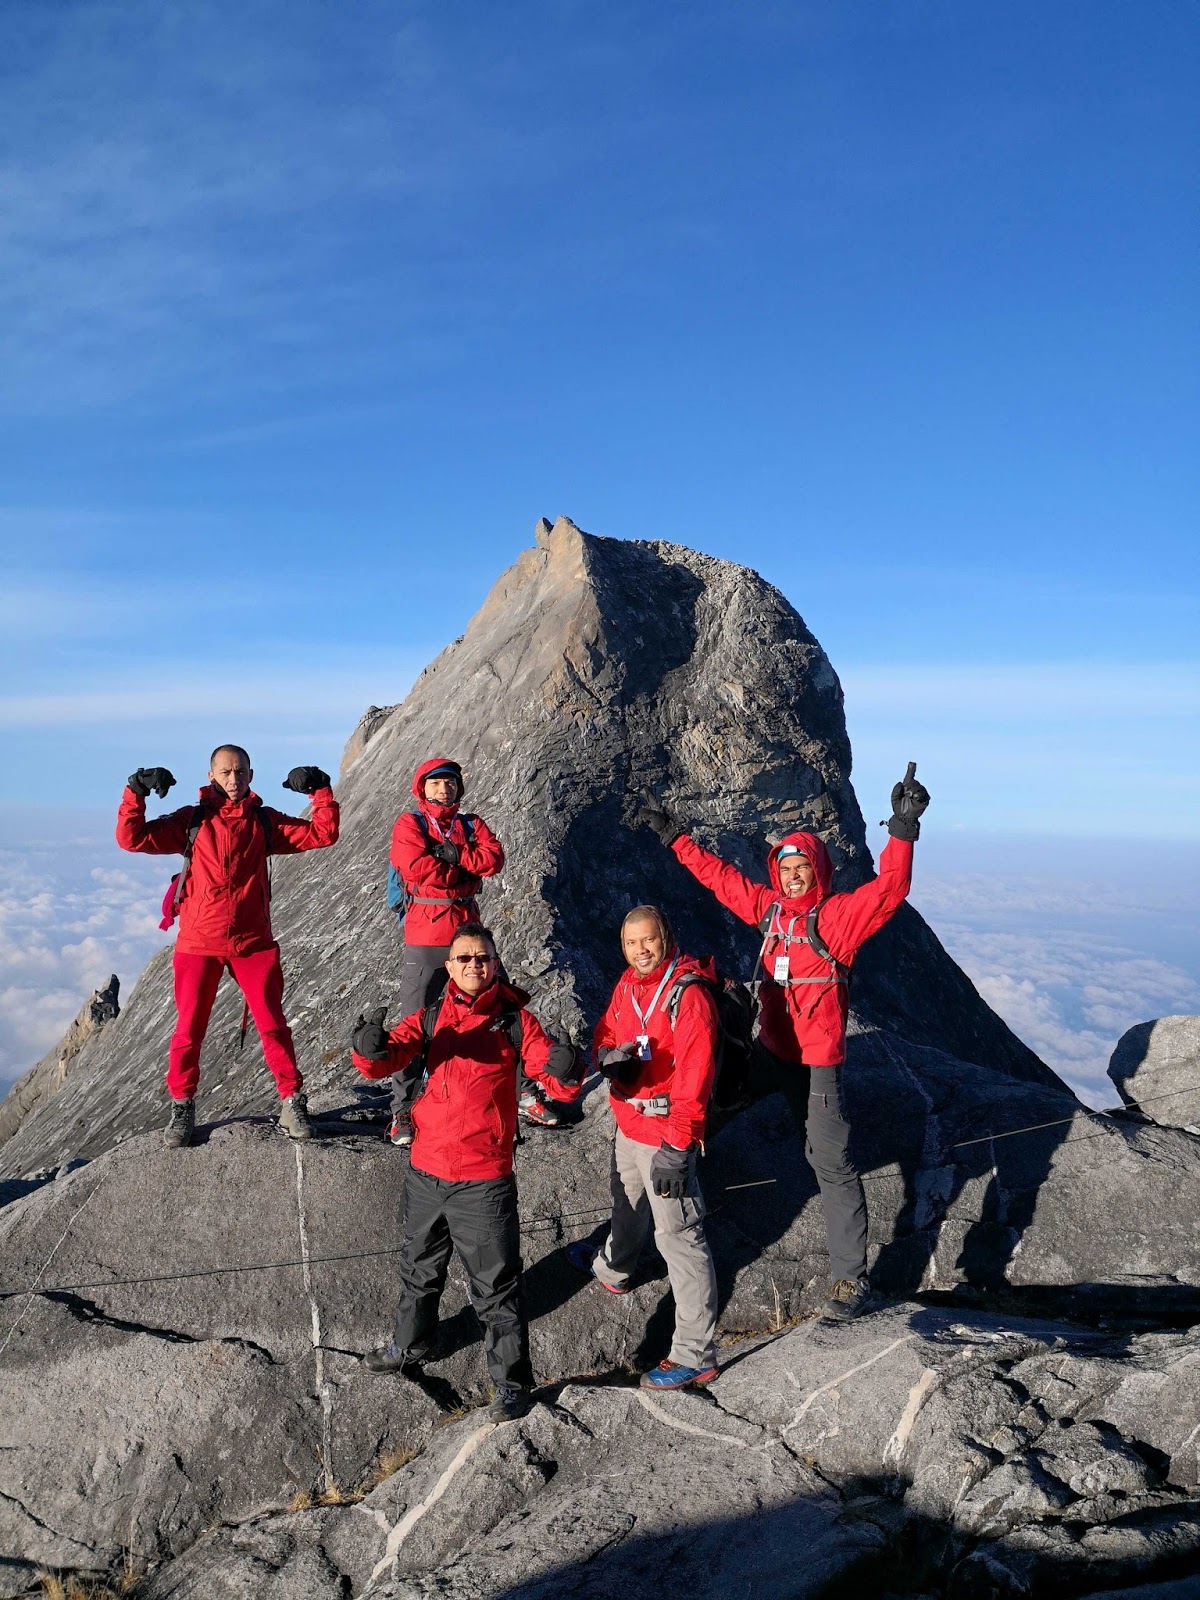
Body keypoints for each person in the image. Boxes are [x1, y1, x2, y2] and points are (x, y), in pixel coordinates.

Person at [637, 765, 930, 1321]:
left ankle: (852, 1281)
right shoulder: (769, 911)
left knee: (831, 1162)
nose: (793, 876)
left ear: (818, 870)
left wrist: (902, 828)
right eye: (785, 868)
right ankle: (682, 1191)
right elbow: (721, 879)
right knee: (707, 1111)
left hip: (817, 1066)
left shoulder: (838, 918)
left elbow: (891, 889)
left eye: (802, 867)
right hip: (772, 1052)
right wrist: (674, 836)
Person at [351, 922, 584, 1421]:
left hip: (483, 1179)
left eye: (483, 958)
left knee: (496, 1288)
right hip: (426, 1171)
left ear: (495, 963)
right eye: (464, 959)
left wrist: (567, 1069)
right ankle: (410, 1346)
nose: (474, 966)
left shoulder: (517, 1022)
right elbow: (389, 1056)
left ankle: (512, 1384)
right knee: (418, 1269)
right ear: (450, 966)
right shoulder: (433, 1017)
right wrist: (367, 1049)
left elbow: (556, 1080)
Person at [116, 747, 340, 1147]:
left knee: (273, 1025)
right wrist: (135, 791)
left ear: (251, 774)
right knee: (188, 1030)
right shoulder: (193, 819)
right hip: (200, 943)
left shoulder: (263, 821)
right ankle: (182, 1106)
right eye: (225, 772)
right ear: (211, 774)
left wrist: (321, 791)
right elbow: (132, 839)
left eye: (239, 771)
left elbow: (322, 833)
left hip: (253, 943)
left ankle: (291, 1100)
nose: (233, 779)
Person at [570, 905, 721, 1391]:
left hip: (665, 1134)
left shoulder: (688, 994)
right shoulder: (627, 985)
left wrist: (679, 1147)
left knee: (679, 1239)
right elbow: (607, 1032)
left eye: (649, 940)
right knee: (626, 1207)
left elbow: (697, 1075)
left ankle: (695, 1353)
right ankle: (616, 1267)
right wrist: (610, 1059)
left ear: (666, 937)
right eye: (632, 943)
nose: (641, 949)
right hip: (629, 1124)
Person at [388, 759, 562, 1141]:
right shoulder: (409, 824)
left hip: (467, 933)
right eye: (436, 784)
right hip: (429, 934)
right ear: (422, 789)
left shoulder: (470, 823)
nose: (444, 789)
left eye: (450, 783)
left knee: (502, 1013)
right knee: (415, 1021)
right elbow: (415, 868)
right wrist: (465, 869)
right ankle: (402, 1110)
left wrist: (456, 857)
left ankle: (522, 1090)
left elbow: (494, 860)